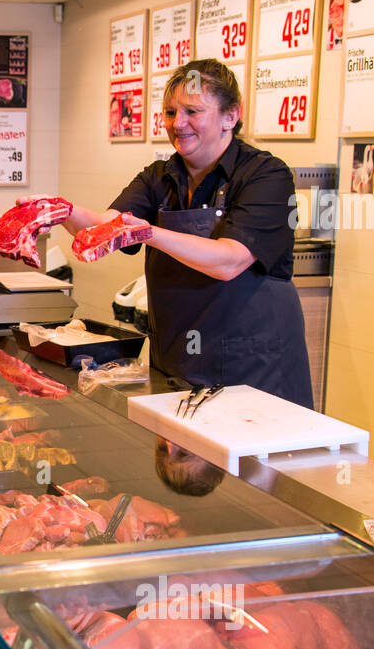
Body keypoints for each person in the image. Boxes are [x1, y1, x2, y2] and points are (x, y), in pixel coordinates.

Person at [37, 58, 313, 407]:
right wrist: (59, 209)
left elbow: (229, 261)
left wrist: (149, 233)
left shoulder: (266, 176)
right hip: (178, 362)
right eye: (170, 113)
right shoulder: (159, 176)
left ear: (231, 116)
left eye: (192, 111)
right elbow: (104, 228)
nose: (178, 124)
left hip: (252, 373)